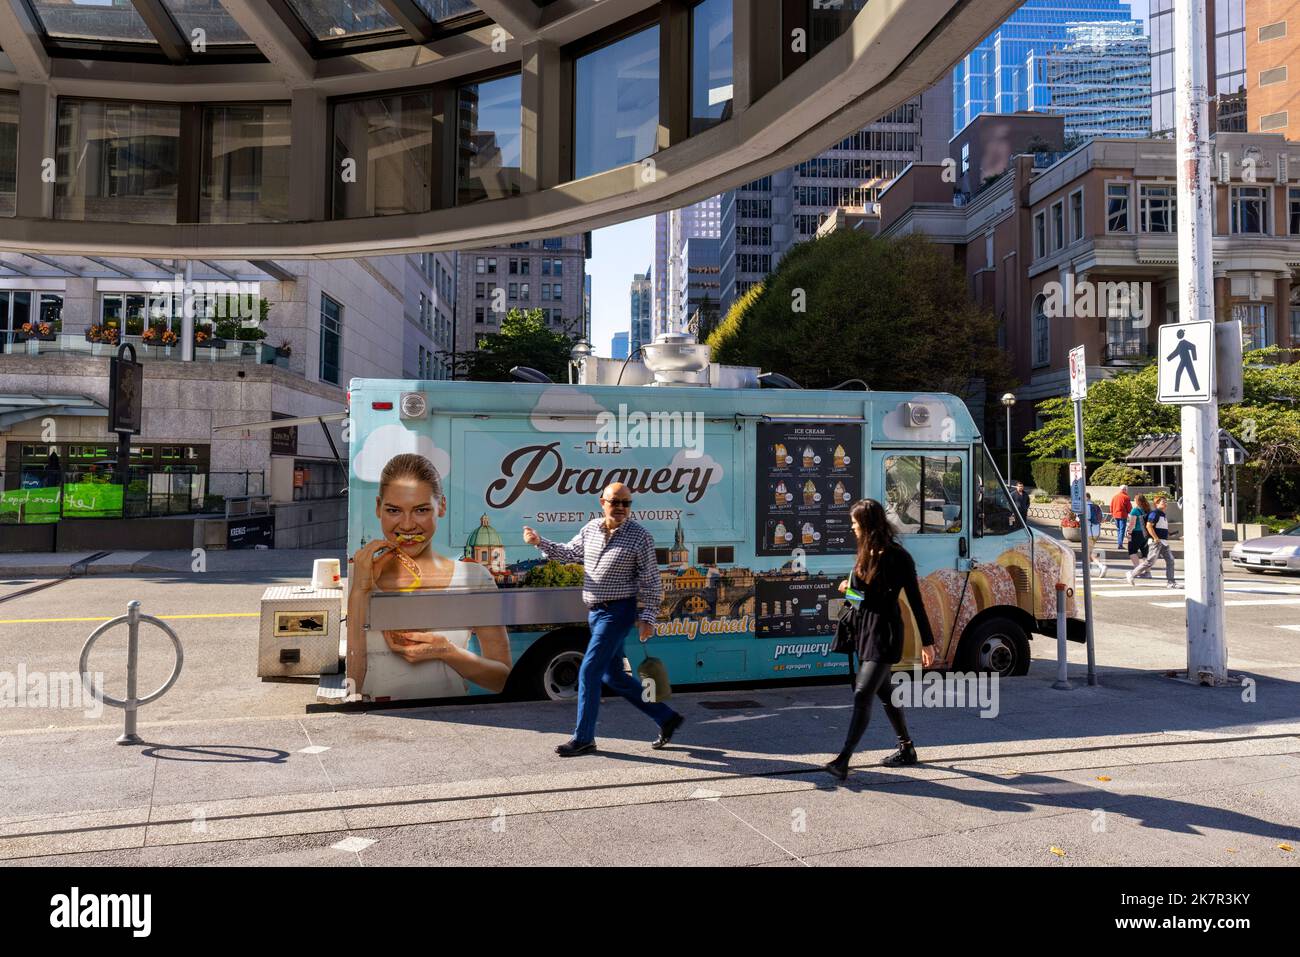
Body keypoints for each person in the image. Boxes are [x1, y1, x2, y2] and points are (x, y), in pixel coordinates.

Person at [523, 482, 684, 757]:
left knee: (588, 671)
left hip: (619, 612)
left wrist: (647, 618)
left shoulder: (639, 537)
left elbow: (651, 582)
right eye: (615, 502)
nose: (621, 507)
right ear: (602, 503)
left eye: (626, 503)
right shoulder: (591, 530)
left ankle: (584, 738)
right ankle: (665, 717)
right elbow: (569, 553)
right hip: (596, 612)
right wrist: (540, 543)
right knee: (614, 676)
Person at [347, 453, 511, 700]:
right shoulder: (357, 573)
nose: (407, 525)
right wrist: (360, 591)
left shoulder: (474, 578)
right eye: (394, 510)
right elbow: (352, 686)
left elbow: (502, 679)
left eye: (421, 510)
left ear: (441, 506)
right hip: (376, 724)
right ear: (378, 507)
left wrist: (446, 651)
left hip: (454, 723)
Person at [823, 499, 938, 782]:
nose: (852, 528)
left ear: (867, 525)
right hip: (866, 632)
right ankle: (907, 749)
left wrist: (927, 642)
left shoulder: (898, 557)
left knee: (863, 692)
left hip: (885, 634)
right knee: (884, 692)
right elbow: (861, 602)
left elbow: (915, 602)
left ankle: (843, 759)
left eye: (855, 523)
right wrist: (848, 590)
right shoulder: (865, 553)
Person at [1128, 494, 1176, 586]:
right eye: (1163, 502)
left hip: (1163, 542)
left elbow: (1160, 527)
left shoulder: (1162, 514)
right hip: (1156, 542)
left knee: (1170, 560)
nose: (1166, 504)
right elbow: (1149, 526)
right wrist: (1156, 538)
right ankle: (1132, 574)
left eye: (1166, 502)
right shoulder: (1155, 513)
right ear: (1157, 503)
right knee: (1149, 562)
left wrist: (1168, 533)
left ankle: (1171, 582)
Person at [1126, 494, 1153, 577]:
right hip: (1145, 534)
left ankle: (1137, 570)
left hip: (1136, 533)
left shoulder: (1135, 510)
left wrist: (1129, 532)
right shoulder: (1147, 509)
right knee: (1145, 553)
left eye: (1134, 499)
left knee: (1132, 551)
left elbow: (1132, 524)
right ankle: (1148, 572)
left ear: (1137, 501)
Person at [1110, 484, 1132, 549]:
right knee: (1122, 530)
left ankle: (1119, 543)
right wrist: (1129, 513)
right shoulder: (1126, 497)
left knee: (1119, 529)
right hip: (1122, 515)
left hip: (1115, 515)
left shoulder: (1115, 496)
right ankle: (1120, 544)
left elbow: (1111, 506)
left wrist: (1112, 513)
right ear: (1125, 490)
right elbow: (1129, 508)